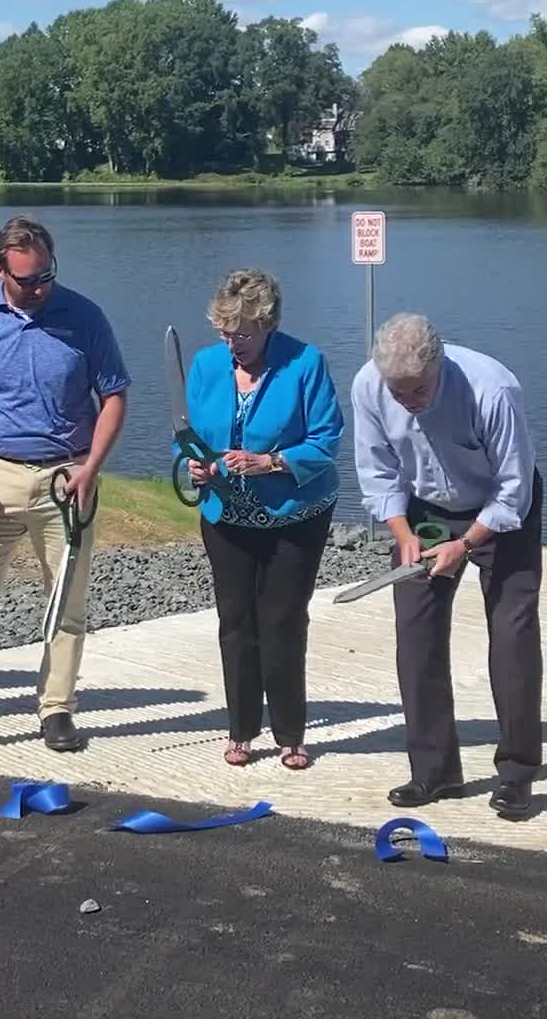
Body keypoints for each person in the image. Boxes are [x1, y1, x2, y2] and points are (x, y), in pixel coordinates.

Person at [0, 215, 131, 759]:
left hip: (67, 477)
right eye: (26, 281)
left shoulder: (85, 318)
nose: (38, 289)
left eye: (45, 277)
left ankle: (56, 708)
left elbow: (114, 398)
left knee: (65, 603)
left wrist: (92, 467)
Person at [352, 313, 545, 821]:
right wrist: (403, 534)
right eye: (398, 392)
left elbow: (514, 491)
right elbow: (377, 471)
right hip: (425, 508)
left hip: (502, 512)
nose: (406, 402)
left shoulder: (492, 389)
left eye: (417, 392)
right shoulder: (370, 385)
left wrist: (467, 543)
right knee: (416, 633)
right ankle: (434, 771)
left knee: (512, 636)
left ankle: (517, 775)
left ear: (438, 368)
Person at [181, 269, 344, 771]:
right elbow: (186, 435)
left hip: (294, 514)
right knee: (236, 621)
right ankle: (241, 729)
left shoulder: (306, 362)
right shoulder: (208, 365)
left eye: (244, 334)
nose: (234, 343)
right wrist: (195, 464)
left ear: (268, 324)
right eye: (226, 333)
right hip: (225, 513)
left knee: (282, 620)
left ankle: (291, 732)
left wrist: (270, 462)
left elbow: (326, 439)